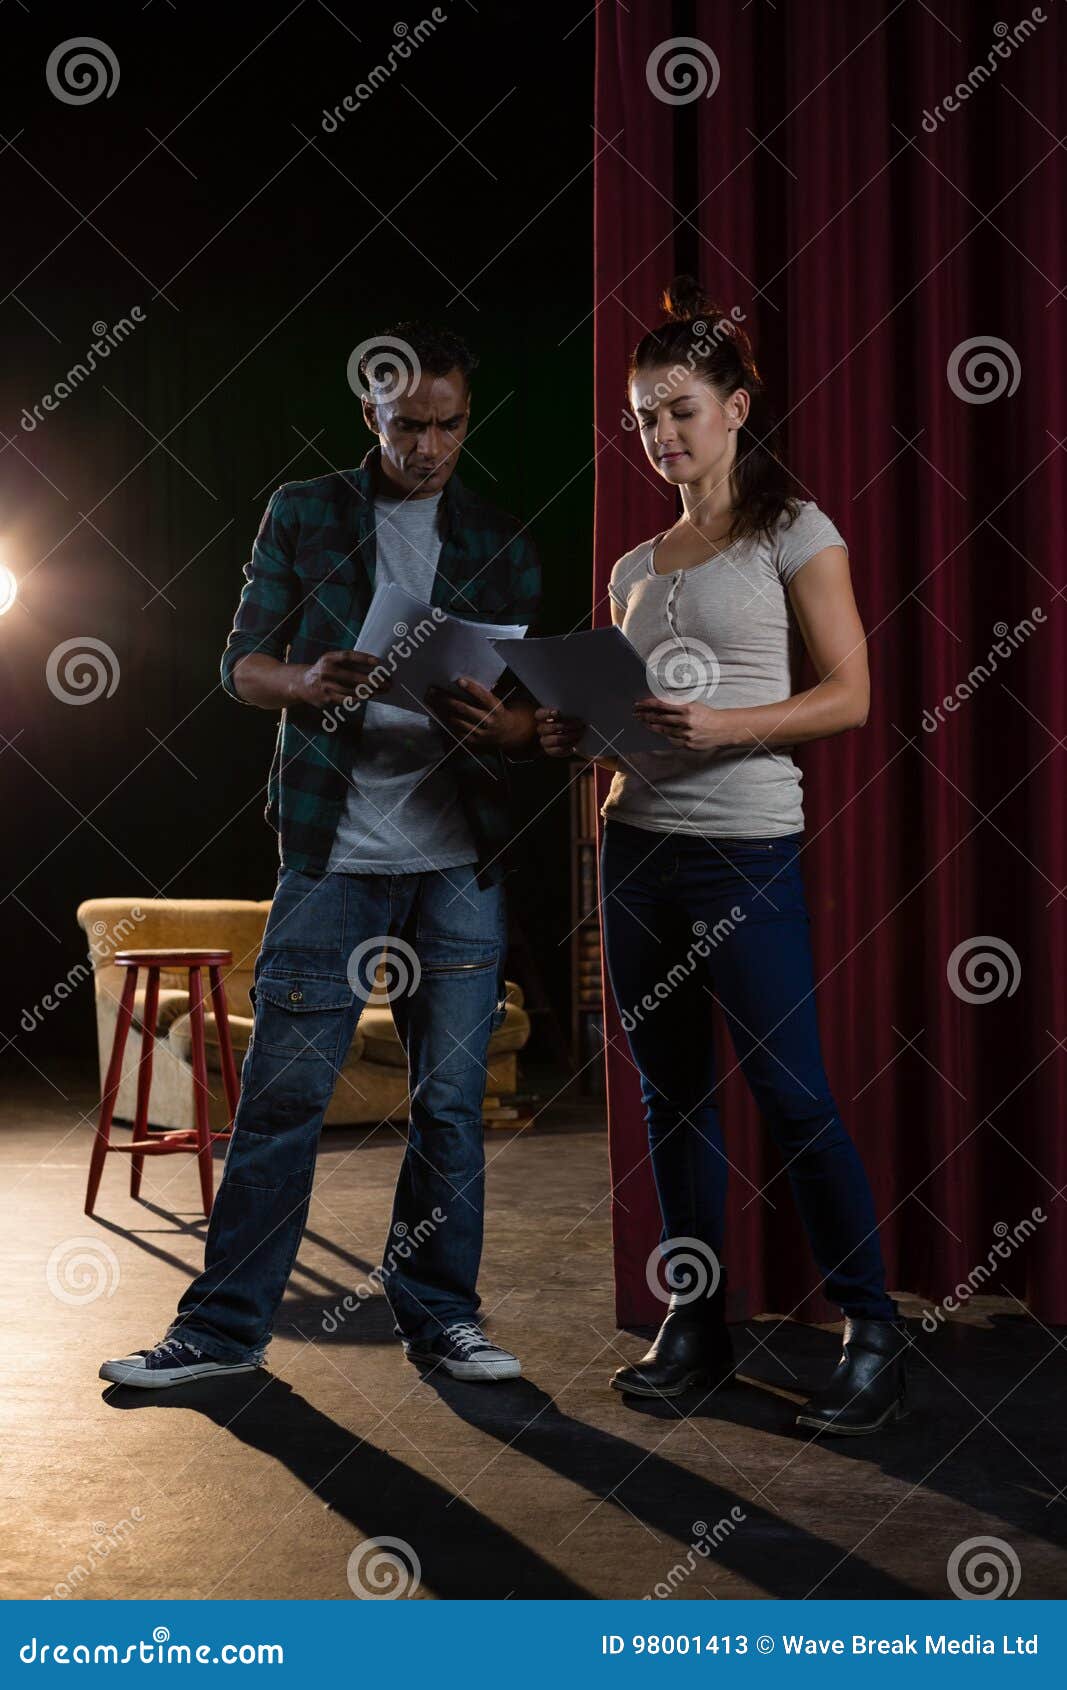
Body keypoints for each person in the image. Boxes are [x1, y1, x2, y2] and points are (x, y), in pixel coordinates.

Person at [100, 321, 541, 1389]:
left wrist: (505, 727)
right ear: (369, 412)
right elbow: (238, 664)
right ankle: (219, 1331)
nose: (427, 448)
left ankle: (442, 1315)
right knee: (283, 1095)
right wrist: (307, 682)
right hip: (333, 849)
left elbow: (532, 708)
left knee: (448, 1103)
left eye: (447, 426)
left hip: (454, 858)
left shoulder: (497, 533)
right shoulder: (304, 509)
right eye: (406, 427)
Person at [536, 277, 908, 1436]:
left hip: (745, 852)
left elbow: (849, 697)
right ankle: (695, 1323)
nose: (660, 433)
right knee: (668, 1097)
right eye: (644, 414)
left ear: (738, 407)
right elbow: (626, 715)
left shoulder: (795, 530)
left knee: (791, 1093)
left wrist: (726, 729)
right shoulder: (631, 568)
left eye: (680, 408)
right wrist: (575, 736)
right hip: (636, 856)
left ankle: (871, 1328)